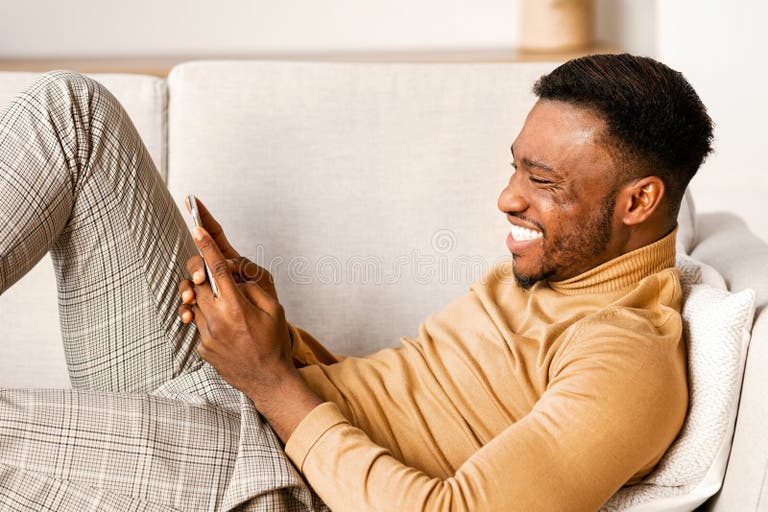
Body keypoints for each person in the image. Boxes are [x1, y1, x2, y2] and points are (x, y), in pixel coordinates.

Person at [0, 53, 713, 511]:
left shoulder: (627, 360)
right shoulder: (554, 270)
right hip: (255, 402)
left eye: (542, 180)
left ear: (638, 202)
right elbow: (407, 408)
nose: (507, 198)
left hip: (267, 475)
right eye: (515, 166)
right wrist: (285, 346)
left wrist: (272, 381)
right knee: (73, 114)